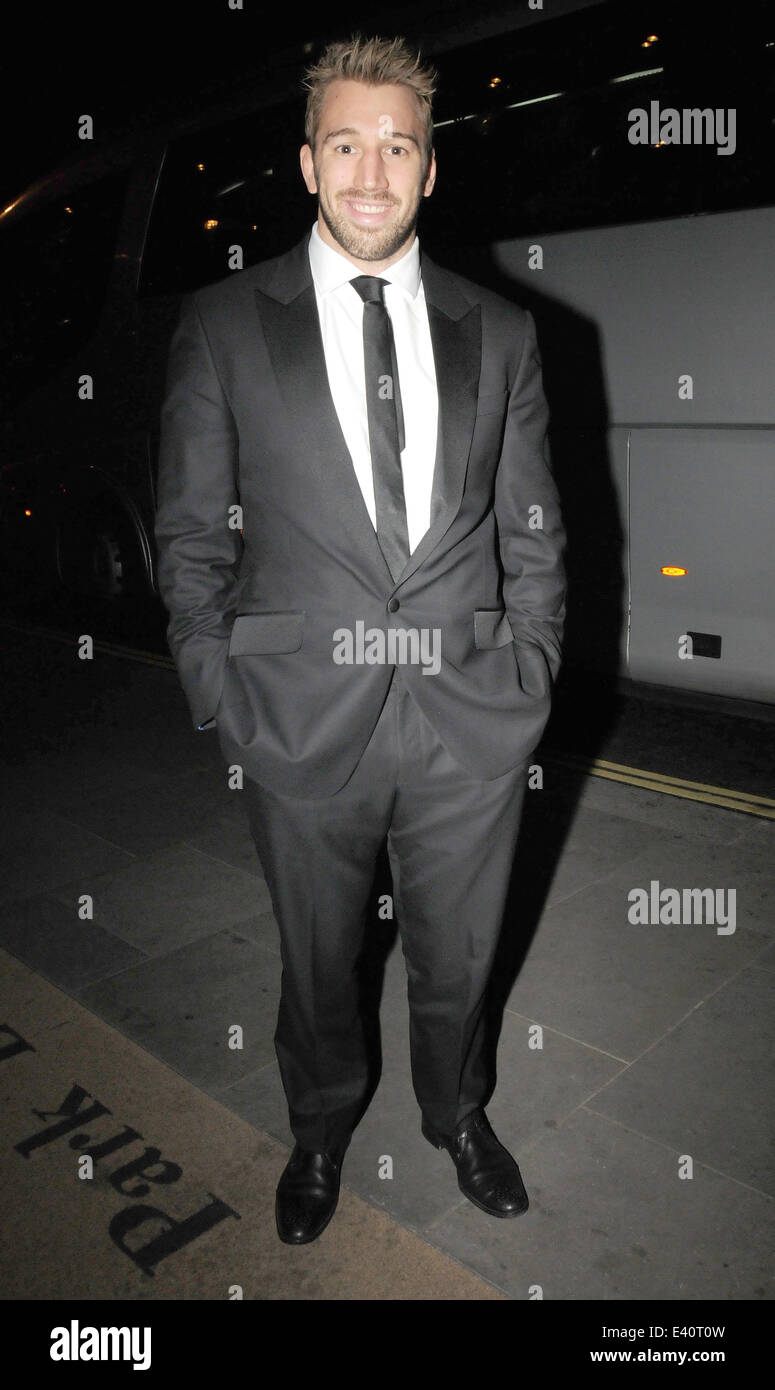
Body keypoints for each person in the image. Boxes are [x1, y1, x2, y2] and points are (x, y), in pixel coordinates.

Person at [154, 33, 566, 1245]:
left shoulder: (503, 330)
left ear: (431, 168)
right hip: (296, 712)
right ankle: (321, 1126)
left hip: (468, 717)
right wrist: (219, 693)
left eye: (398, 145)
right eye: (347, 144)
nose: (372, 174)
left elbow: (535, 526)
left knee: (461, 958)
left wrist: (529, 672)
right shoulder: (226, 322)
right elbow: (190, 539)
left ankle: (458, 1113)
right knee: (318, 962)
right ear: (306, 160)